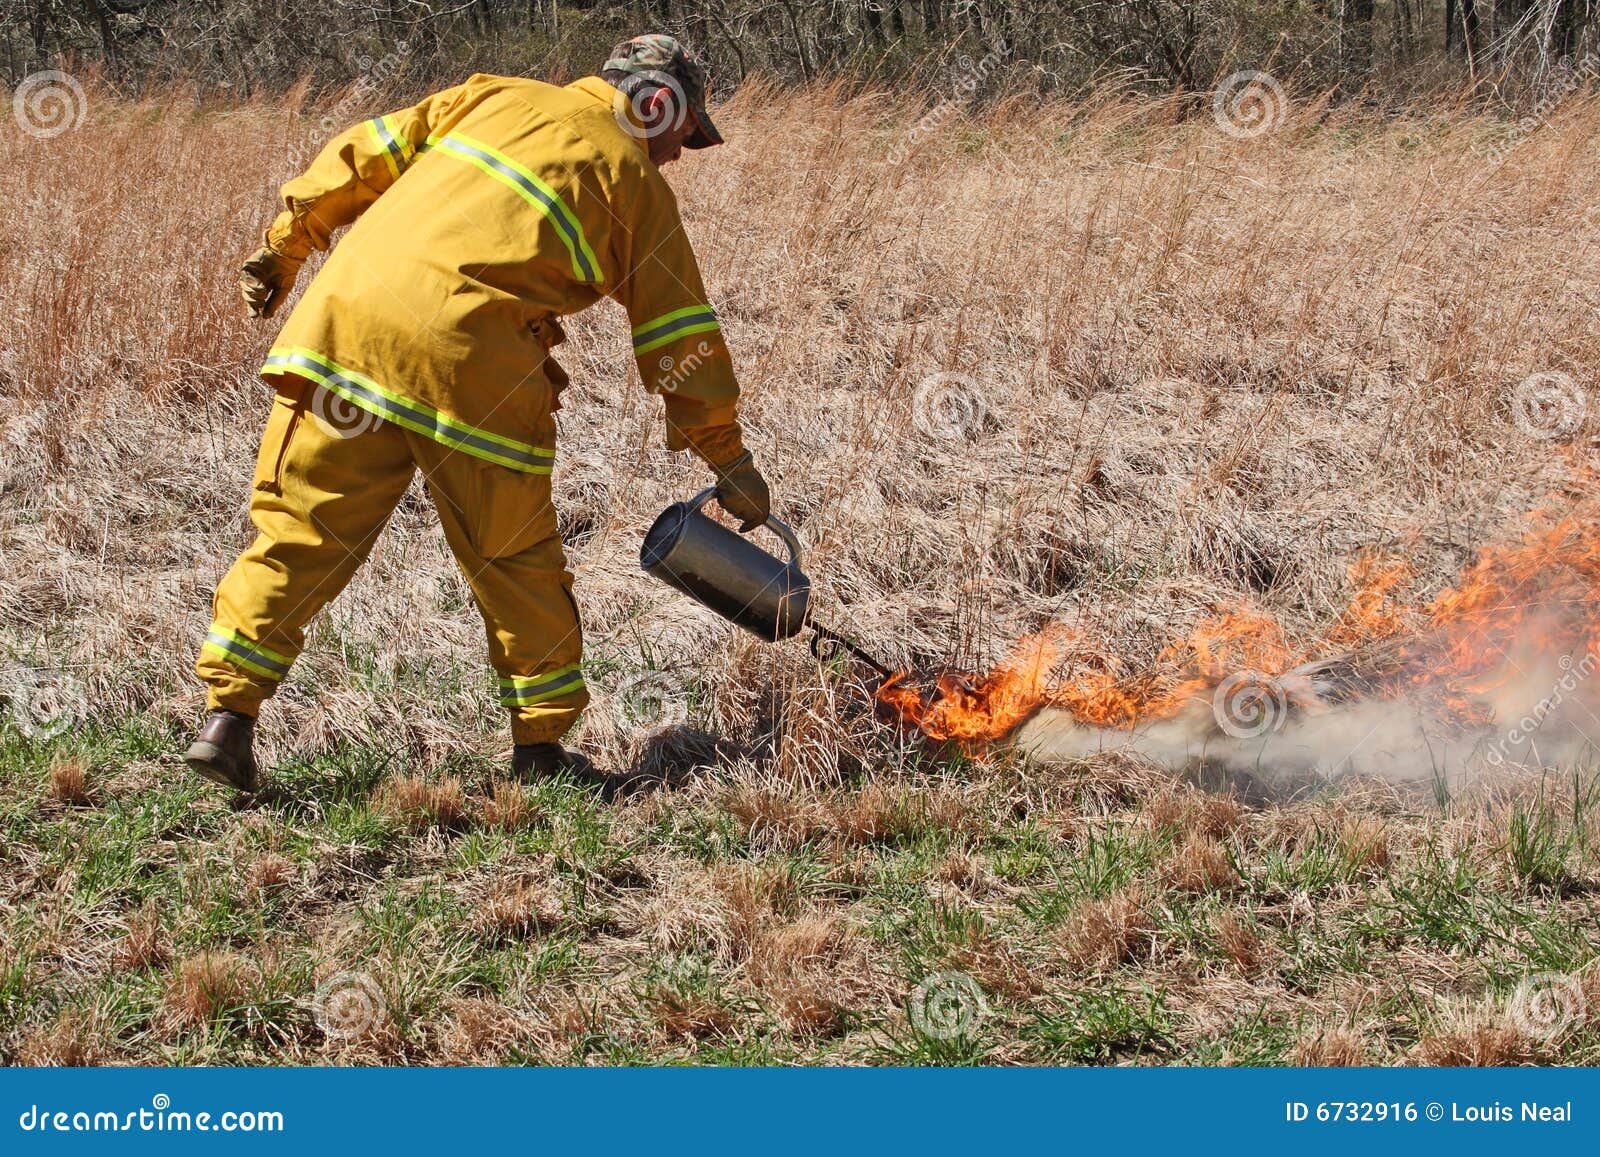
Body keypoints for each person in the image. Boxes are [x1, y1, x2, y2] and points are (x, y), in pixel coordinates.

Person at [186, 34, 771, 795]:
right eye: (683, 136)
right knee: (514, 560)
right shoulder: (636, 184)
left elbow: (362, 154)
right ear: (658, 101)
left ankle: (226, 721)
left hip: (345, 332)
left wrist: (287, 243)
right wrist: (728, 459)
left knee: (299, 534)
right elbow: (677, 336)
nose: (680, 157)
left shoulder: (494, 94)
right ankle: (539, 753)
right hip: (473, 369)